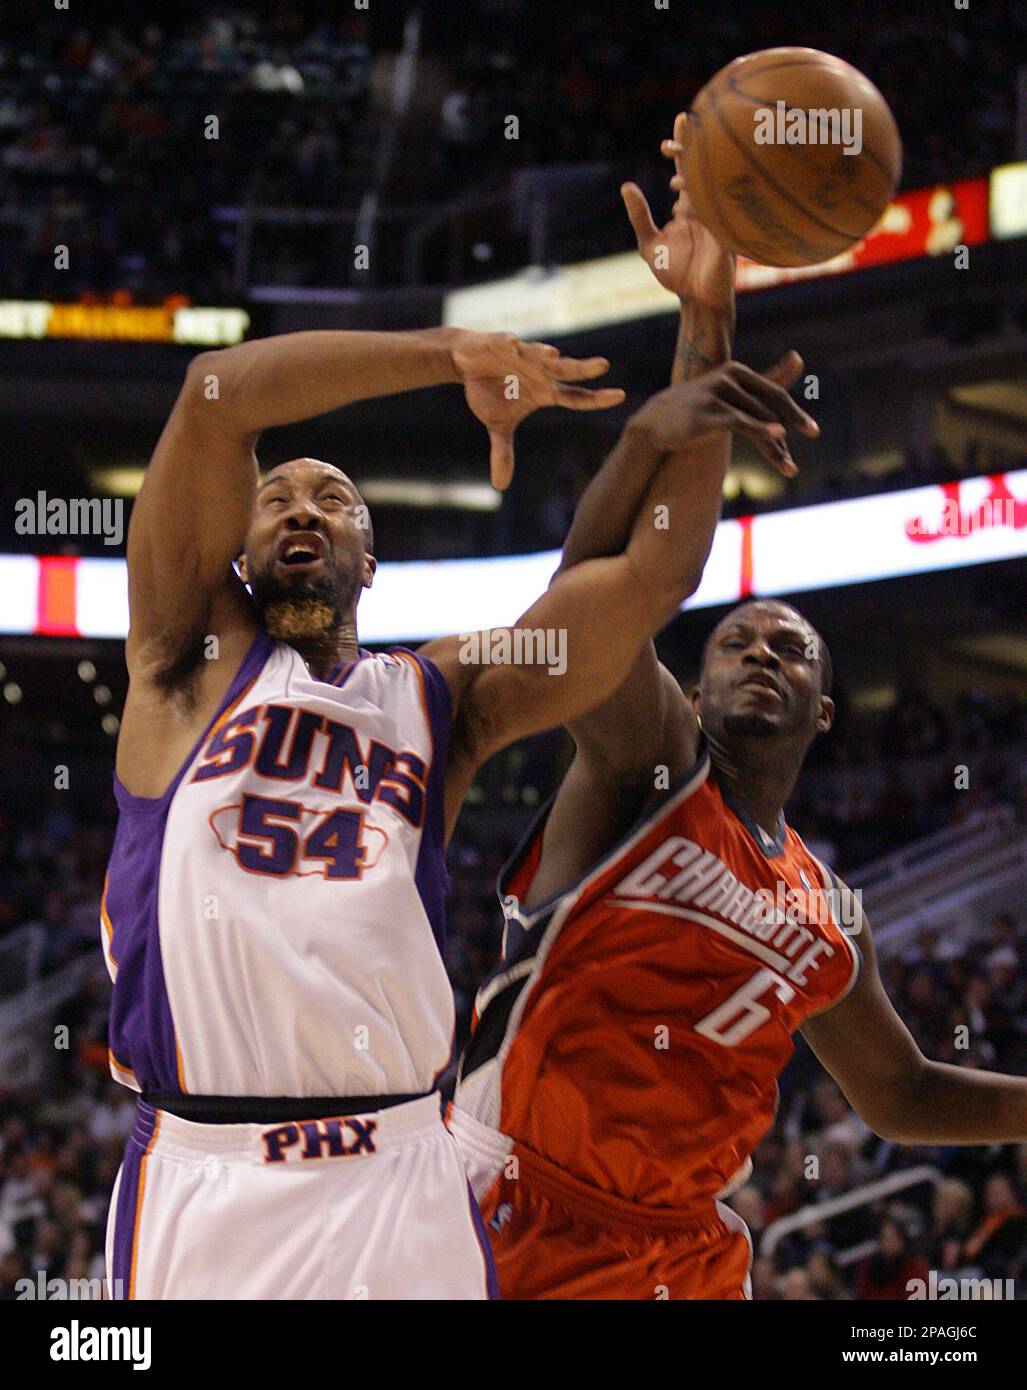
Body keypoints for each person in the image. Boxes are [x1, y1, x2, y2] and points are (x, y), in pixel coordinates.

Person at [102, 310, 809, 1299]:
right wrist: (448, 355)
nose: (304, 509)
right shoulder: (184, 662)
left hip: (404, 1176)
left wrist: (695, 354)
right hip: (214, 1180)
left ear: (372, 558)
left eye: (334, 499)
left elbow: (648, 580)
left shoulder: (440, 698)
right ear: (237, 546)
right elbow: (214, 395)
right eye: (278, 499)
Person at [450, 115, 1027, 1300]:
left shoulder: (829, 907)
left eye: (790, 647)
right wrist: (702, 333)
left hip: (685, 1245)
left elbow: (903, 1093)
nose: (760, 653)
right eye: (734, 640)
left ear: (824, 709)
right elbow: (588, 603)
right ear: (698, 683)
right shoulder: (649, 767)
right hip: (523, 1208)